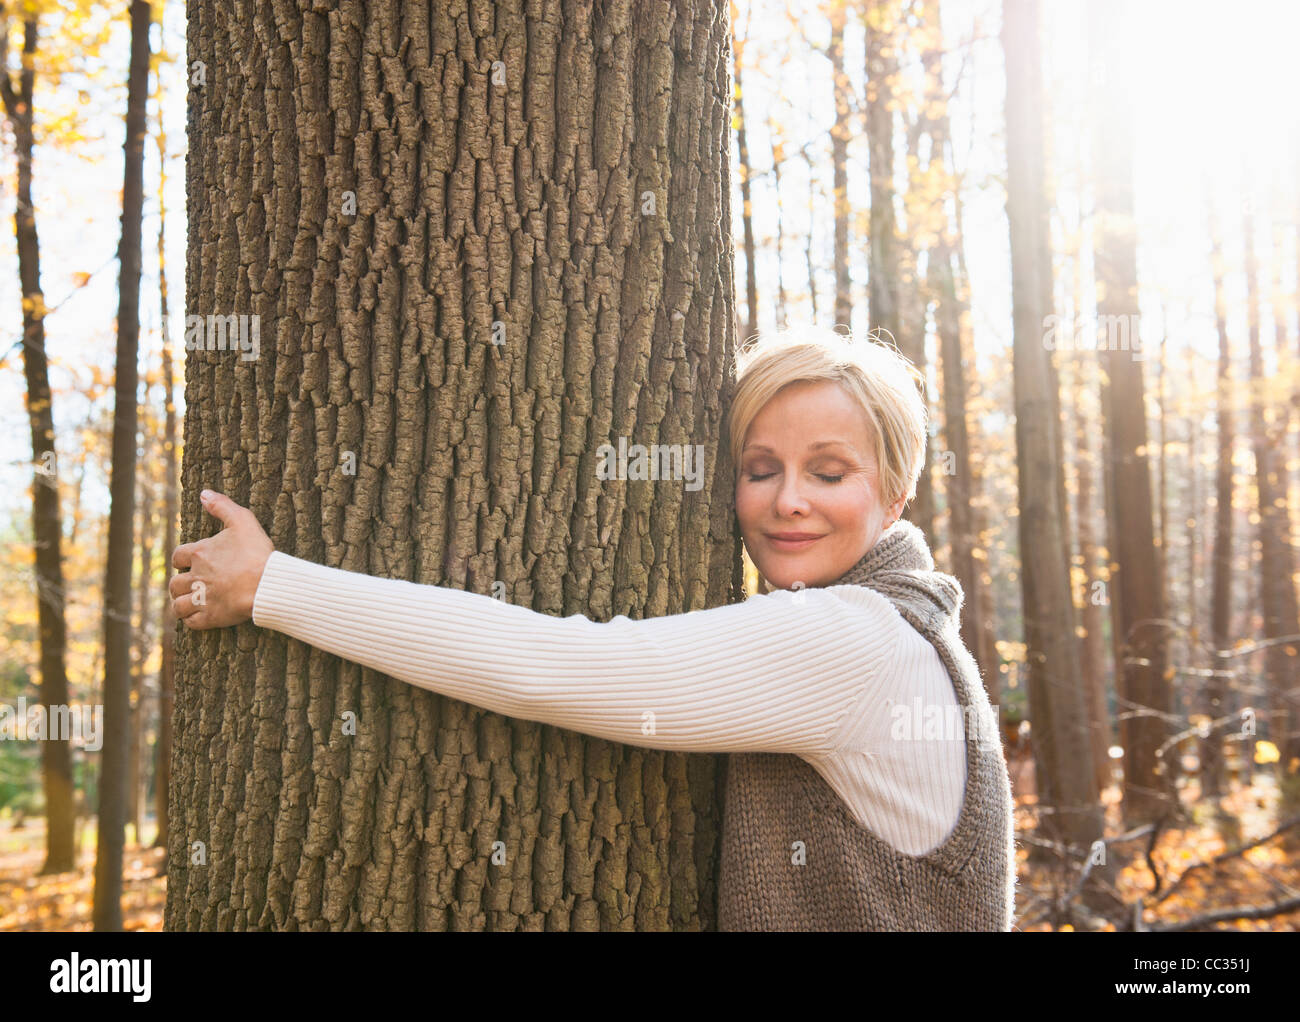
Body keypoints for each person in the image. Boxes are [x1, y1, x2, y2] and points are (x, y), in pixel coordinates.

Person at [168, 326, 1015, 930]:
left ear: (896, 492)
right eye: (760, 470)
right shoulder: (912, 631)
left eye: (827, 472)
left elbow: (553, 664)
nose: (787, 499)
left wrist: (274, 586)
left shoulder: (857, 642)